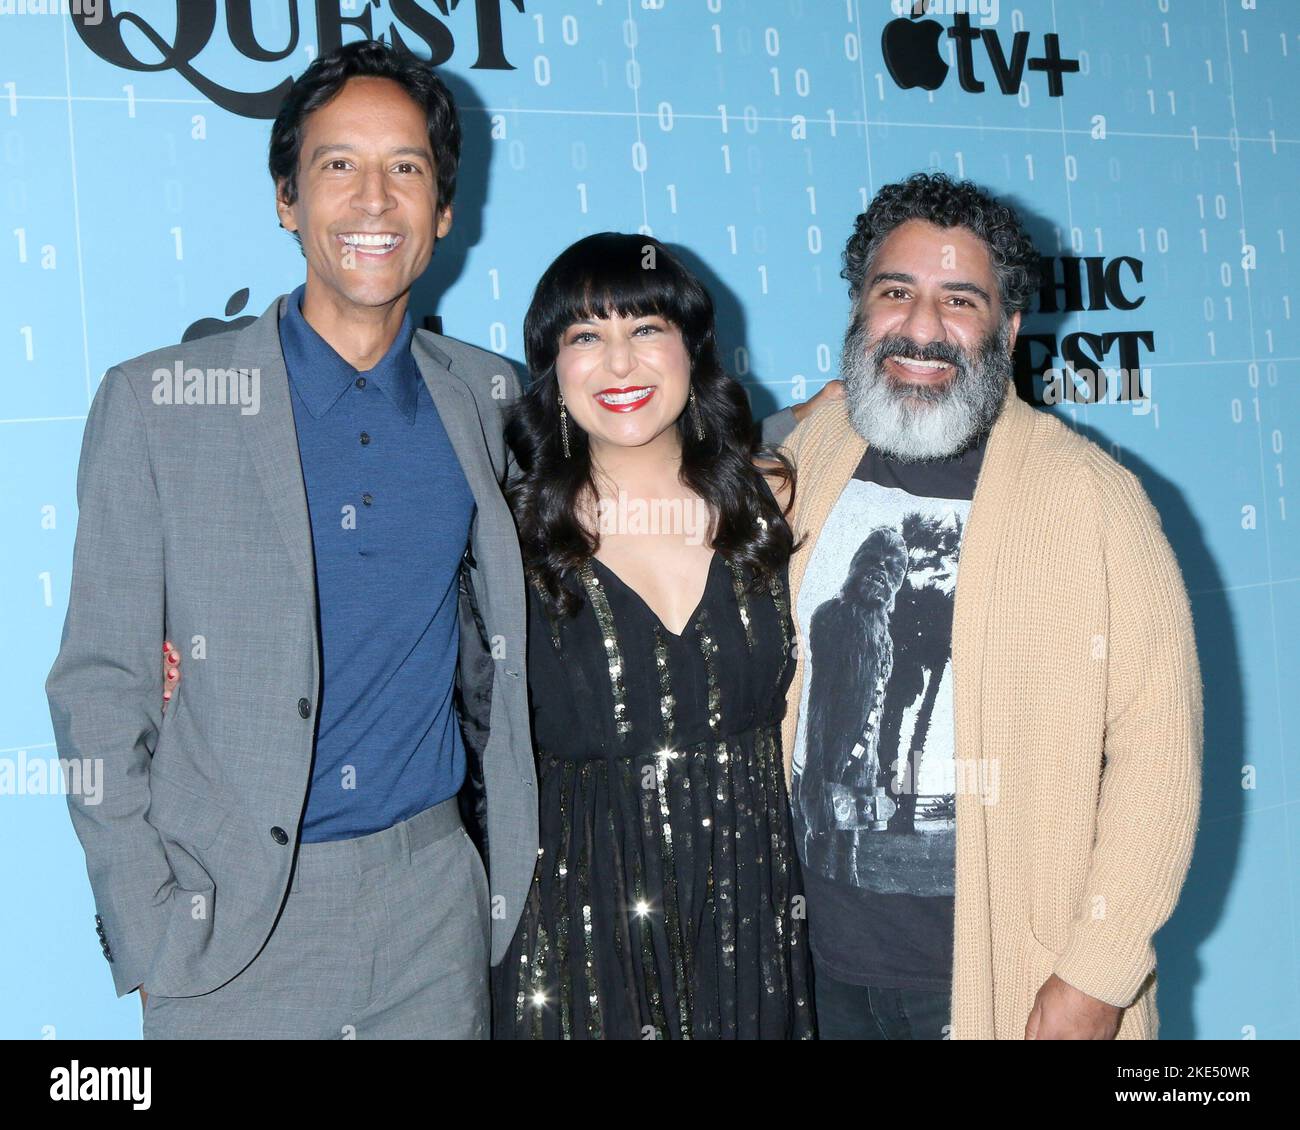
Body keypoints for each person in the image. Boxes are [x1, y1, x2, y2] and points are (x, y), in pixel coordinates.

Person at [45, 40, 537, 1039]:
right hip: (230, 924)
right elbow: (99, 684)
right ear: (285, 199)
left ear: (444, 210)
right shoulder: (159, 405)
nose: (372, 200)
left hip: (429, 913)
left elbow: (635, 464)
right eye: (336, 165)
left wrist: (803, 429)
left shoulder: (489, 399)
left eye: (405, 168)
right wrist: (149, 919)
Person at [771, 172, 1202, 1040]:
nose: (922, 328)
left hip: (1003, 980)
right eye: (897, 293)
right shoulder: (810, 454)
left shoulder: (1094, 498)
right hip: (812, 971)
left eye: (959, 300)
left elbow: (1161, 752)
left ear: (1005, 331)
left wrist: (1098, 976)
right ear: (861, 310)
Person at [491, 232, 815, 1039]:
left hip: (757, 914)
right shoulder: (505, 535)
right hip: (576, 929)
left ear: (691, 348)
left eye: (645, 330)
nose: (620, 365)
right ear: (552, 369)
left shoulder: (776, 497)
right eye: (585, 338)